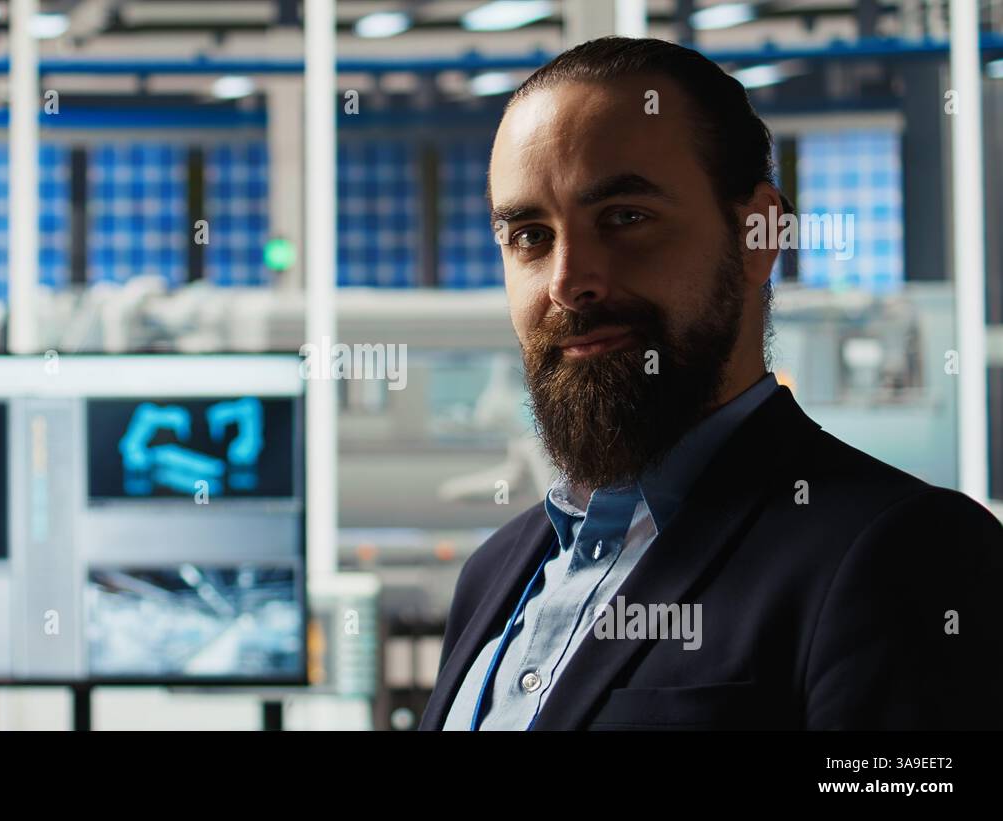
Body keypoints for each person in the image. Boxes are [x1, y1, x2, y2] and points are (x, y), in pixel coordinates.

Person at [419, 36, 1003, 731]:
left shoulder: (906, 555)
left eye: (625, 218)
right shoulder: (493, 575)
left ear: (759, 234)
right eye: (531, 236)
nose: (569, 281)